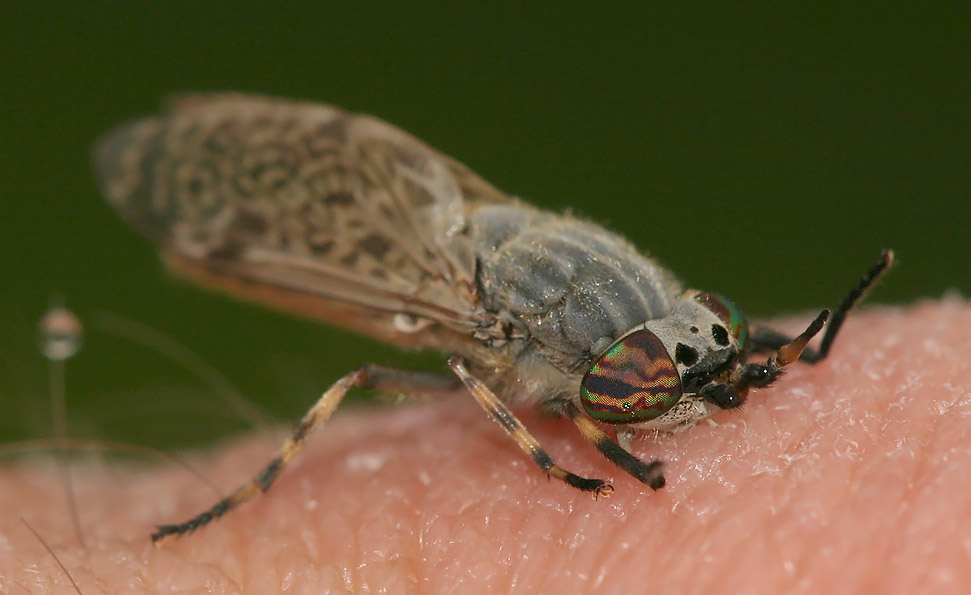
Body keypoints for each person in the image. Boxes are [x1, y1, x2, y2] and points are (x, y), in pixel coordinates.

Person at [2, 303, 969, 592]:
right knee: (357, 382)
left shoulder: (633, 332)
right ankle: (244, 499)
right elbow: (475, 378)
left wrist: (758, 350)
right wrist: (548, 458)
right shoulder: (529, 362)